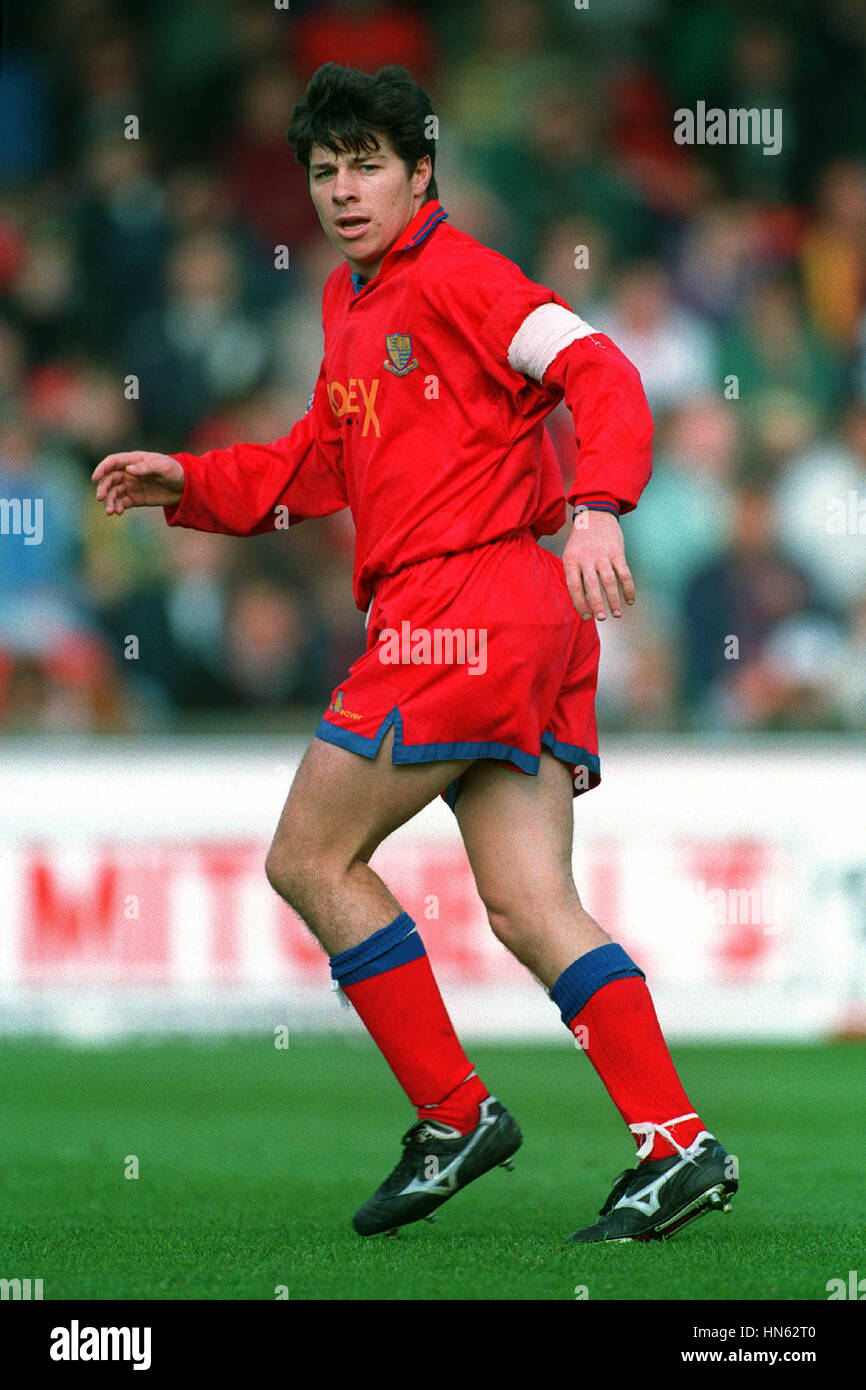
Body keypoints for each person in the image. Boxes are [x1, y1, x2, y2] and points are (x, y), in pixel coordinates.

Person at [92, 62, 738, 1243]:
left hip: (463, 610)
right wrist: (191, 479)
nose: (344, 191)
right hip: (529, 620)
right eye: (325, 171)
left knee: (309, 857)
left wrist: (598, 501)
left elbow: (600, 368)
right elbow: (318, 468)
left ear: (419, 171)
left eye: (367, 166)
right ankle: (676, 1144)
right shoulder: (352, 303)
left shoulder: (465, 279)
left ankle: (454, 1113)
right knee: (532, 904)